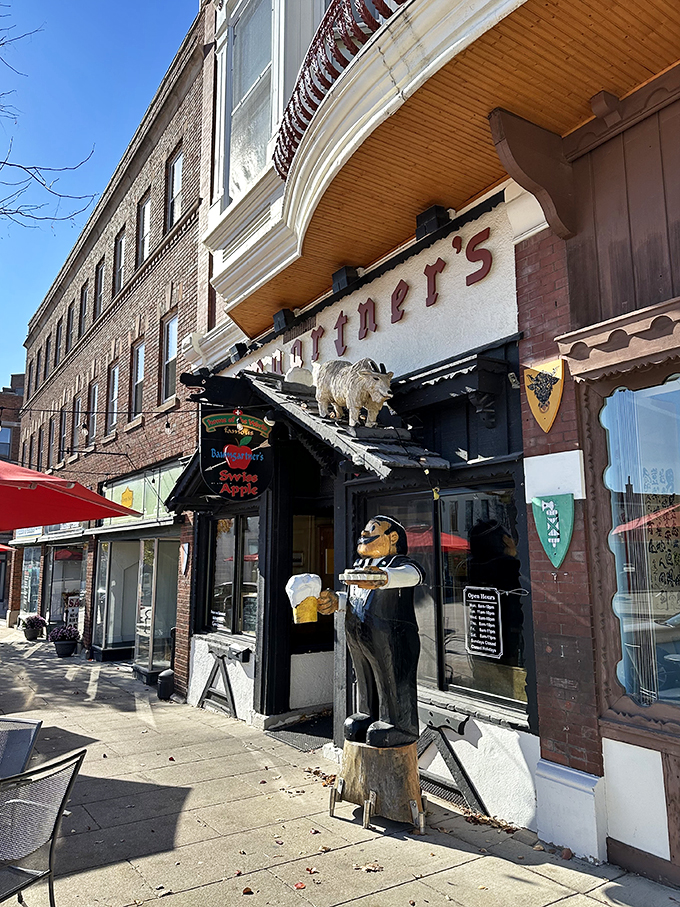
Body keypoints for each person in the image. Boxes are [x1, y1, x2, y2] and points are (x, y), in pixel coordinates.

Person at [318, 515, 424, 748]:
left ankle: (399, 724)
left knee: (391, 676)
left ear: (392, 537)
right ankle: (367, 713)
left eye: (372, 531)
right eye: (364, 532)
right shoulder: (358, 566)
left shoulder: (399, 564)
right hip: (358, 630)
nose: (364, 535)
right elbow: (357, 598)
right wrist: (337, 601)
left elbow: (415, 575)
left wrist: (384, 578)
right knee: (365, 675)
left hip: (391, 634)